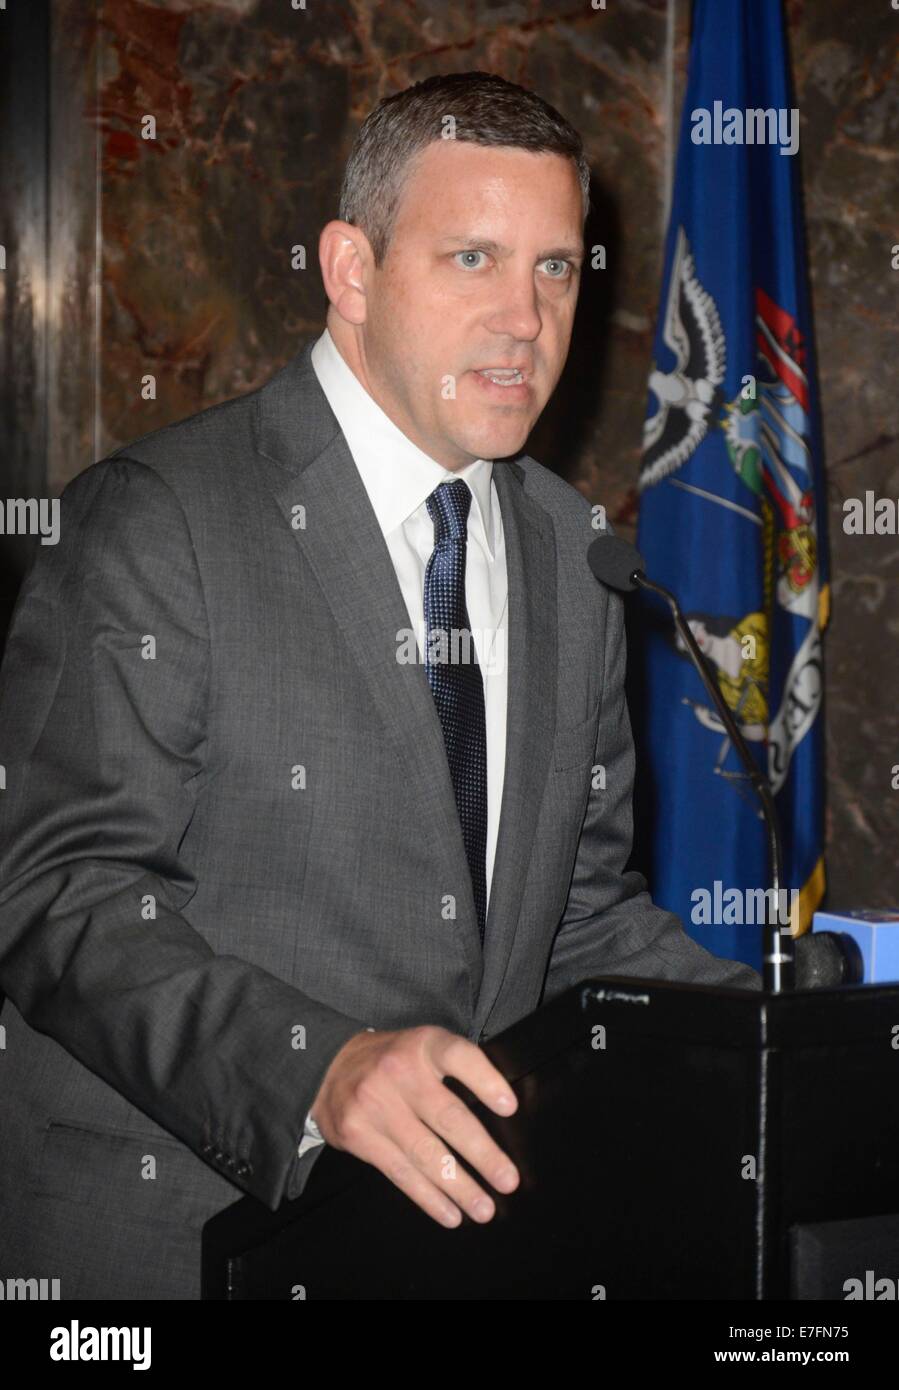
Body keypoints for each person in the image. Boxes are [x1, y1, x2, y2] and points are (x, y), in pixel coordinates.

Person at [0, 71, 760, 1301]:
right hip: (168, 1254)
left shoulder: (575, 557)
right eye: (472, 258)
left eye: (557, 269)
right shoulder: (163, 521)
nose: (524, 318)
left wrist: (824, 1024)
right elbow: (54, 889)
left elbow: (579, 921)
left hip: (444, 1258)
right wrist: (315, 1069)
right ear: (350, 270)